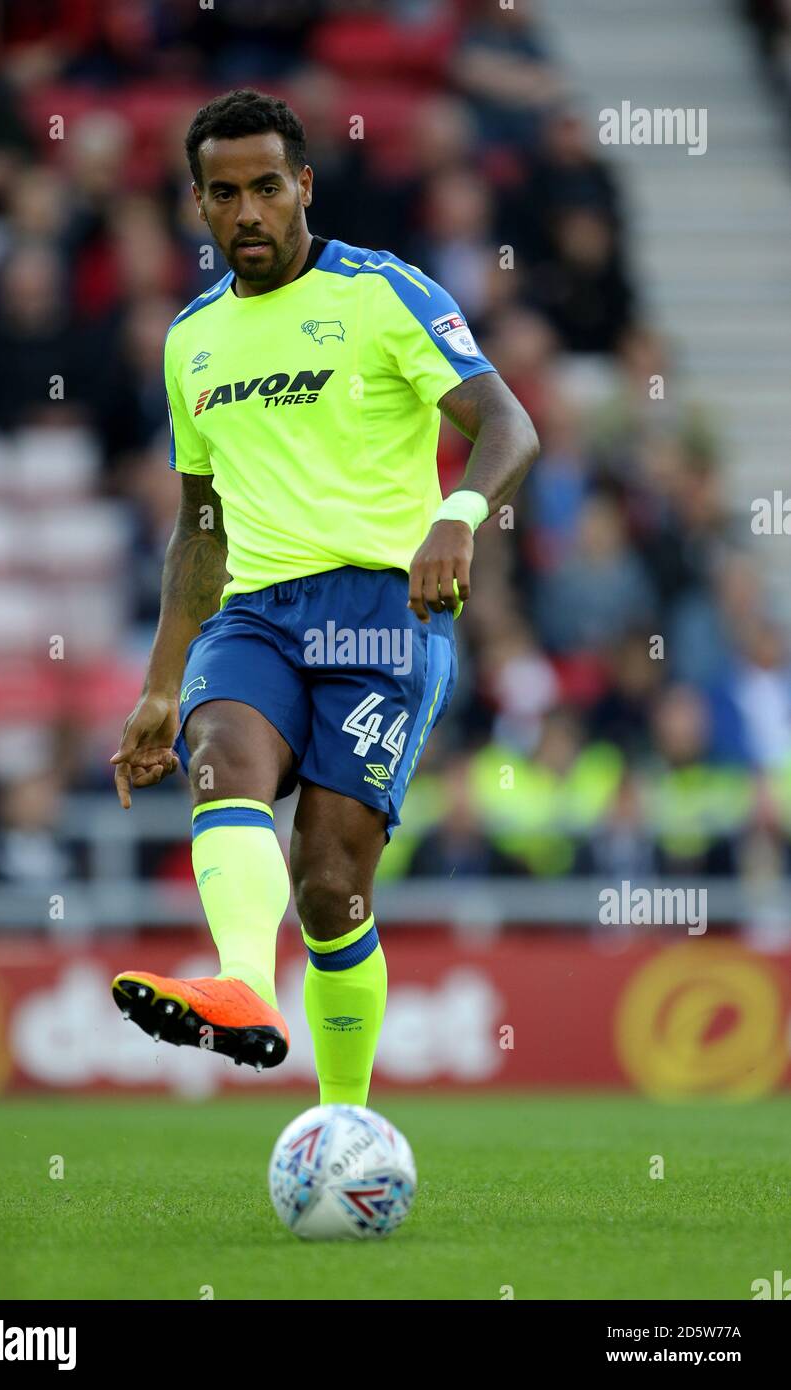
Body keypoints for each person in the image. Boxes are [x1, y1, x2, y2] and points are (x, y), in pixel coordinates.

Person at [109, 89, 539, 1105]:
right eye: (224, 193)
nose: (247, 210)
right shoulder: (190, 342)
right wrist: (161, 684)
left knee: (331, 887)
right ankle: (245, 989)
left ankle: (341, 1120)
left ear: (302, 184)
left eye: (266, 186)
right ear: (198, 207)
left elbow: (508, 426)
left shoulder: (383, 293)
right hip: (254, 611)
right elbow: (198, 527)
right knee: (220, 762)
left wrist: (457, 517)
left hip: (382, 614)